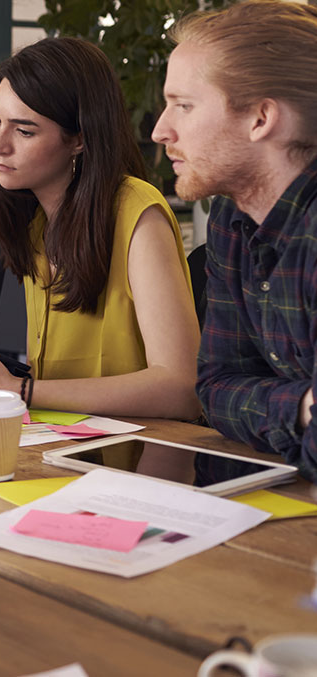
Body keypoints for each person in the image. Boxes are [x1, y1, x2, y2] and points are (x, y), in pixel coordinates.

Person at [0, 37, 201, 419]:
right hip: (56, 444)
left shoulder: (137, 213)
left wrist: (17, 389)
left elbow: (180, 389)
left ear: (78, 139)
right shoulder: (36, 221)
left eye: (24, 131)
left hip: (129, 459)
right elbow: (49, 384)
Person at [152, 1, 317, 476]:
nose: (162, 130)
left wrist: (272, 408)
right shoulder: (232, 215)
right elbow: (217, 386)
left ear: (261, 118)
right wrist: (303, 407)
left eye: (183, 105)